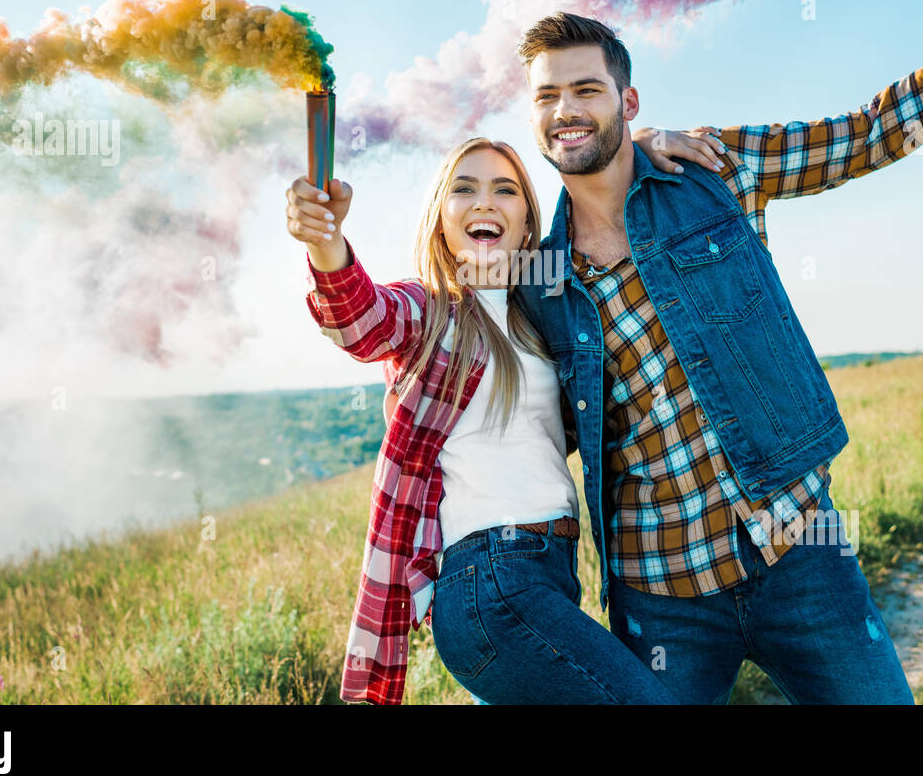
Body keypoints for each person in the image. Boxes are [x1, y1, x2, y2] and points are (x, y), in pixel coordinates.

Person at [509, 0, 923, 704]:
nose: (565, 110)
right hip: (661, 596)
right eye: (547, 96)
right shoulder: (542, 280)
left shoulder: (715, 171)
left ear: (629, 102)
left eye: (585, 89)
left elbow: (866, 134)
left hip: (799, 551)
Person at [288, 130, 717, 704]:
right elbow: (360, 319)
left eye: (505, 190)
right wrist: (325, 241)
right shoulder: (429, 313)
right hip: (490, 581)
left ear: (525, 225)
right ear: (441, 218)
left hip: (556, 573)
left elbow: (603, 223)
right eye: (464, 189)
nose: (485, 202)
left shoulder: (547, 316)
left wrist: (631, 150)